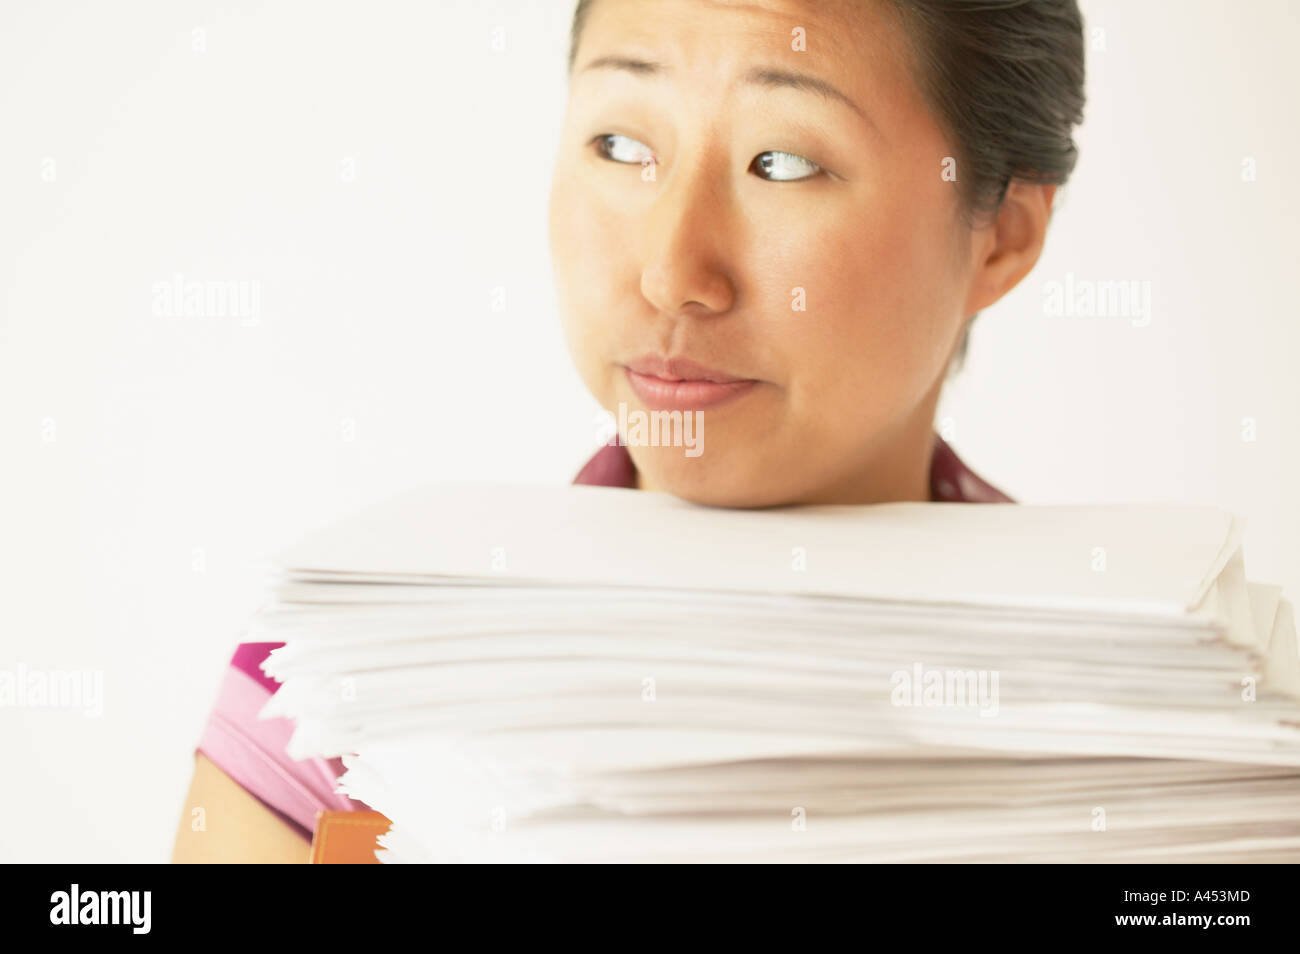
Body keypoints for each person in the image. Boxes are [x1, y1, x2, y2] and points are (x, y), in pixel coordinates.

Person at [172, 0, 1085, 863]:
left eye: (784, 164)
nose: (671, 271)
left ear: (1000, 234)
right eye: (619, 145)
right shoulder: (341, 679)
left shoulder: (1143, 720)